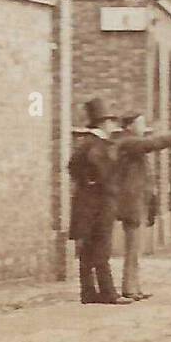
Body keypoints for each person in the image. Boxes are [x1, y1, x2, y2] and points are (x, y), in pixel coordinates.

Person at [112, 113, 171, 301]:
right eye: (140, 123)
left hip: (138, 202)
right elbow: (154, 143)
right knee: (133, 249)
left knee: (136, 249)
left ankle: (134, 287)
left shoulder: (132, 142)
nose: (144, 127)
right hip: (132, 204)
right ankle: (130, 288)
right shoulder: (129, 142)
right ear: (130, 126)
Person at [69, 98, 129, 305]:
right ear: (103, 123)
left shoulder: (88, 144)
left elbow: (73, 167)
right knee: (101, 249)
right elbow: (83, 168)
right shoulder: (96, 145)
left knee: (87, 250)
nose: (113, 126)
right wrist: (93, 181)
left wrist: (86, 181)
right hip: (99, 204)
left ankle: (88, 293)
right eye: (111, 121)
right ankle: (108, 293)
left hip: (89, 203)